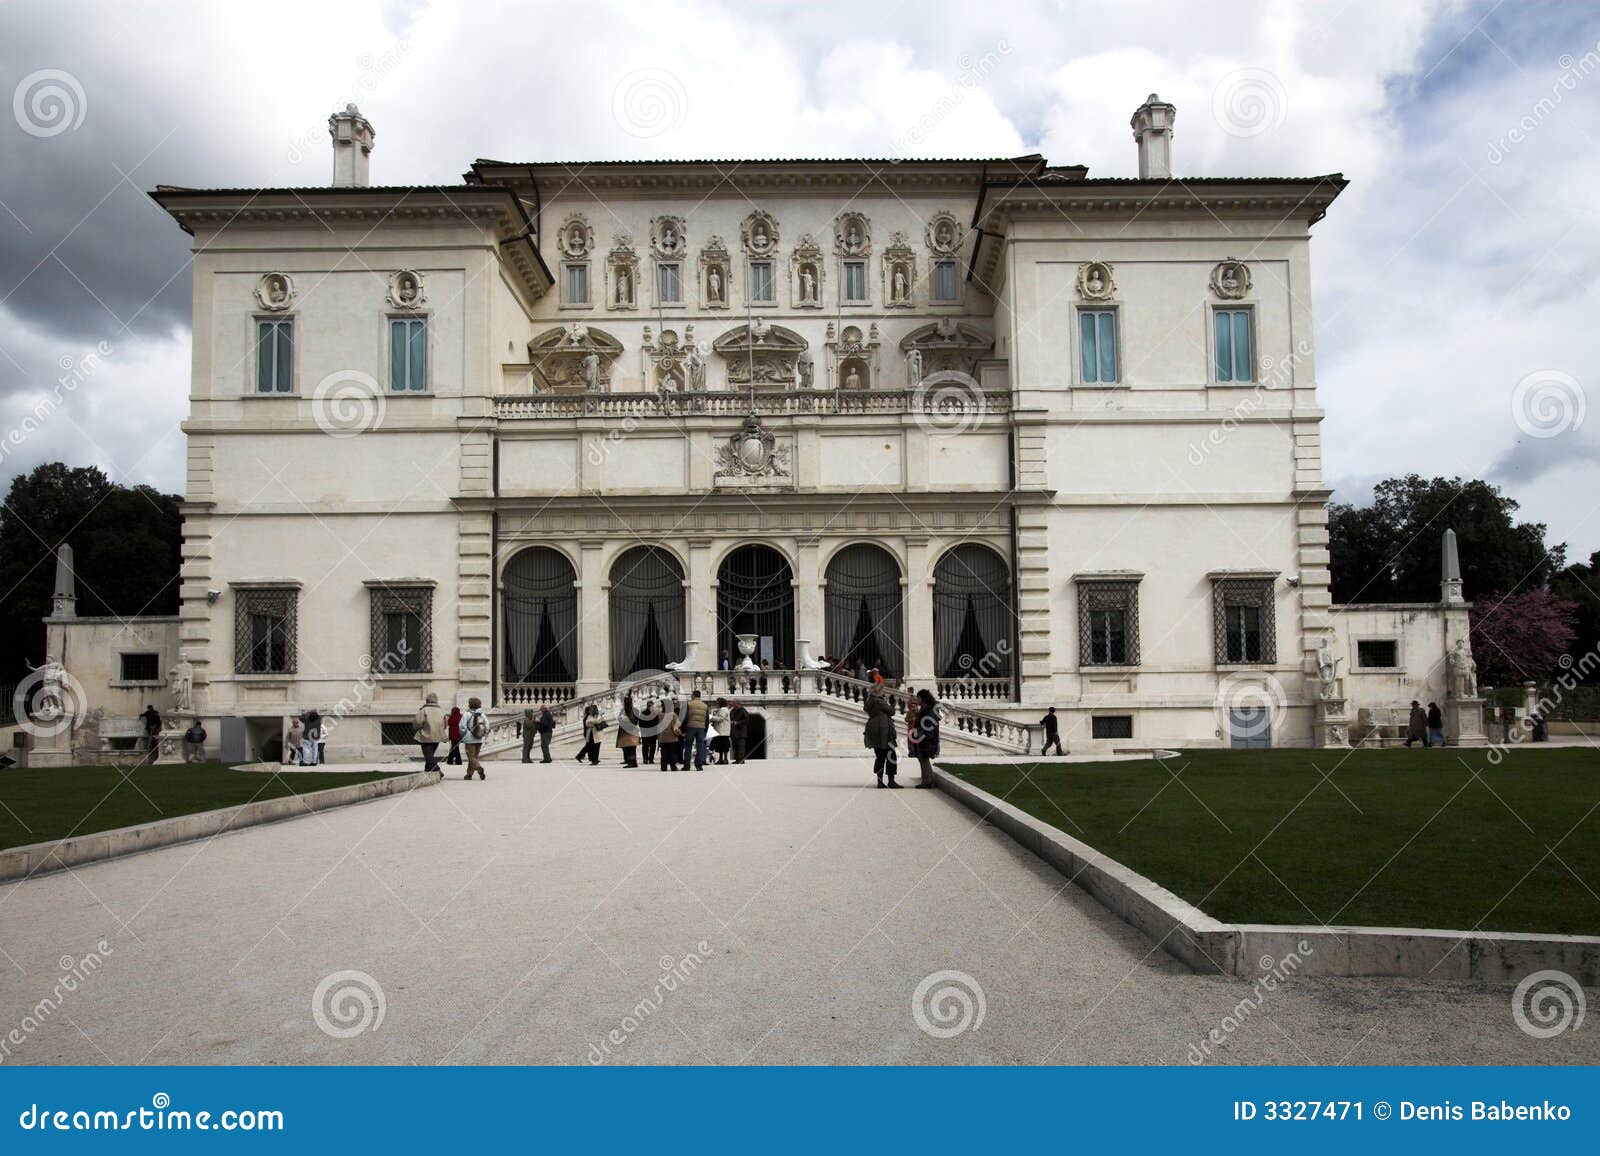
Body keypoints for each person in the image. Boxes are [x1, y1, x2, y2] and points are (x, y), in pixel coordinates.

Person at [864, 687, 900, 788]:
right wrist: (886, 701)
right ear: (878, 692)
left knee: (880, 757)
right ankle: (891, 781)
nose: (884, 692)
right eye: (882, 691)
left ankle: (880, 781)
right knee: (891, 756)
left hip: (874, 730)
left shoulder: (870, 701)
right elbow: (892, 711)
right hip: (883, 731)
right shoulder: (879, 701)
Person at [910, 688, 941, 787]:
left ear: (922, 698)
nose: (917, 700)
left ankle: (927, 781)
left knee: (924, 760)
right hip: (924, 737)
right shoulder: (927, 708)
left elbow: (929, 725)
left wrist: (925, 737)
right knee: (922, 759)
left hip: (925, 738)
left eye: (918, 698)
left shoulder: (928, 710)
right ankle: (927, 780)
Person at [414, 692, 447, 773]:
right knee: (430, 754)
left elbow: (418, 722)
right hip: (438, 736)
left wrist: (418, 728)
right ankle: (428, 770)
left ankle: (437, 770)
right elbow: (445, 724)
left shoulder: (424, 710)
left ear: (427, 701)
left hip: (426, 735)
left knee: (428, 755)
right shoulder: (441, 711)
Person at [461, 695, 488, 780]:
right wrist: (483, 734)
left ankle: (479, 767)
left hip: (469, 739)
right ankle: (469, 775)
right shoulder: (482, 714)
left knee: (471, 757)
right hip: (479, 739)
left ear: (470, 704)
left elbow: (462, 727)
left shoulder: (466, 714)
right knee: (474, 757)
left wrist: (463, 735)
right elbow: (487, 726)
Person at [682, 691, 709, 771]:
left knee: (688, 746)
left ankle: (687, 765)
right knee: (700, 747)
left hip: (690, 727)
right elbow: (707, 719)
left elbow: (685, 717)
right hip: (701, 728)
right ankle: (699, 765)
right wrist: (705, 730)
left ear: (693, 695)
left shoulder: (689, 704)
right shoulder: (705, 706)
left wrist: (683, 729)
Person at [618, 694, 641, 767]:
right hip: (630, 731)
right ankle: (631, 761)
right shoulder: (632, 710)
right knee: (630, 747)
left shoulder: (629, 711)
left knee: (630, 747)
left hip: (629, 731)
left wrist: (624, 719)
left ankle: (632, 762)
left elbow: (633, 721)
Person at [659, 705, 683, 772]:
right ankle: (673, 767)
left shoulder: (660, 715)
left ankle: (663, 767)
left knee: (664, 753)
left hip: (662, 737)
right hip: (672, 737)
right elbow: (679, 723)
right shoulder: (673, 714)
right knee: (673, 753)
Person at [638, 695, 660, 765]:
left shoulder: (653, 714)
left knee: (648, 746)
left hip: (648, 733)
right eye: (651, 706)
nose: (651, 707)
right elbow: (641, 723)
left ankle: (648, 759)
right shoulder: (650, 713)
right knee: (649, 746)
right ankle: (648, 759)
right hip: (649, 732)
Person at [710, 699, 732, 764]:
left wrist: (711, 717)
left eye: (717, 703)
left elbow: (721, 718)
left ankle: (725, 759)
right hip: (720, 730)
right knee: (719, 746)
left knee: (724, 746)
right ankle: (720, 759)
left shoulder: (724, 709)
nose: (716, 704)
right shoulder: (720, 709)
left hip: (723, 730)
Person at [728, 699, 749, 764]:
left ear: (738, 704)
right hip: (734, 732)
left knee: (741, 747)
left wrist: (737, 722)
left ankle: (741, 760)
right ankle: (737, 759)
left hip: (741, 732)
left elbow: (746, 720)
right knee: (735, 746)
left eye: (733, 704)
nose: (733, 705)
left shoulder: (743, 710)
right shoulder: (733, 710)